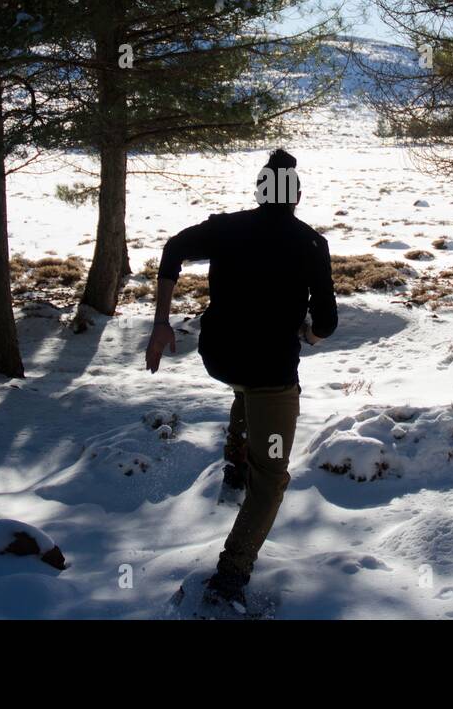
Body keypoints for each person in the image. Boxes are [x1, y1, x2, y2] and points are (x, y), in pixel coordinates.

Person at [145, 149, 338, 607]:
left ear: (259, 190)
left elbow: (173, 248)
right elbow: (326, 323)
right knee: (271, 478)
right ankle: (230, 577)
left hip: (221, 358)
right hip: (270, 371)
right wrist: (308, 334)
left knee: (246, 389)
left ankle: (235, 462)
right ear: (297, 196)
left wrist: (161, 322)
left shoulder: (226, 228)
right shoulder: (310, 244)